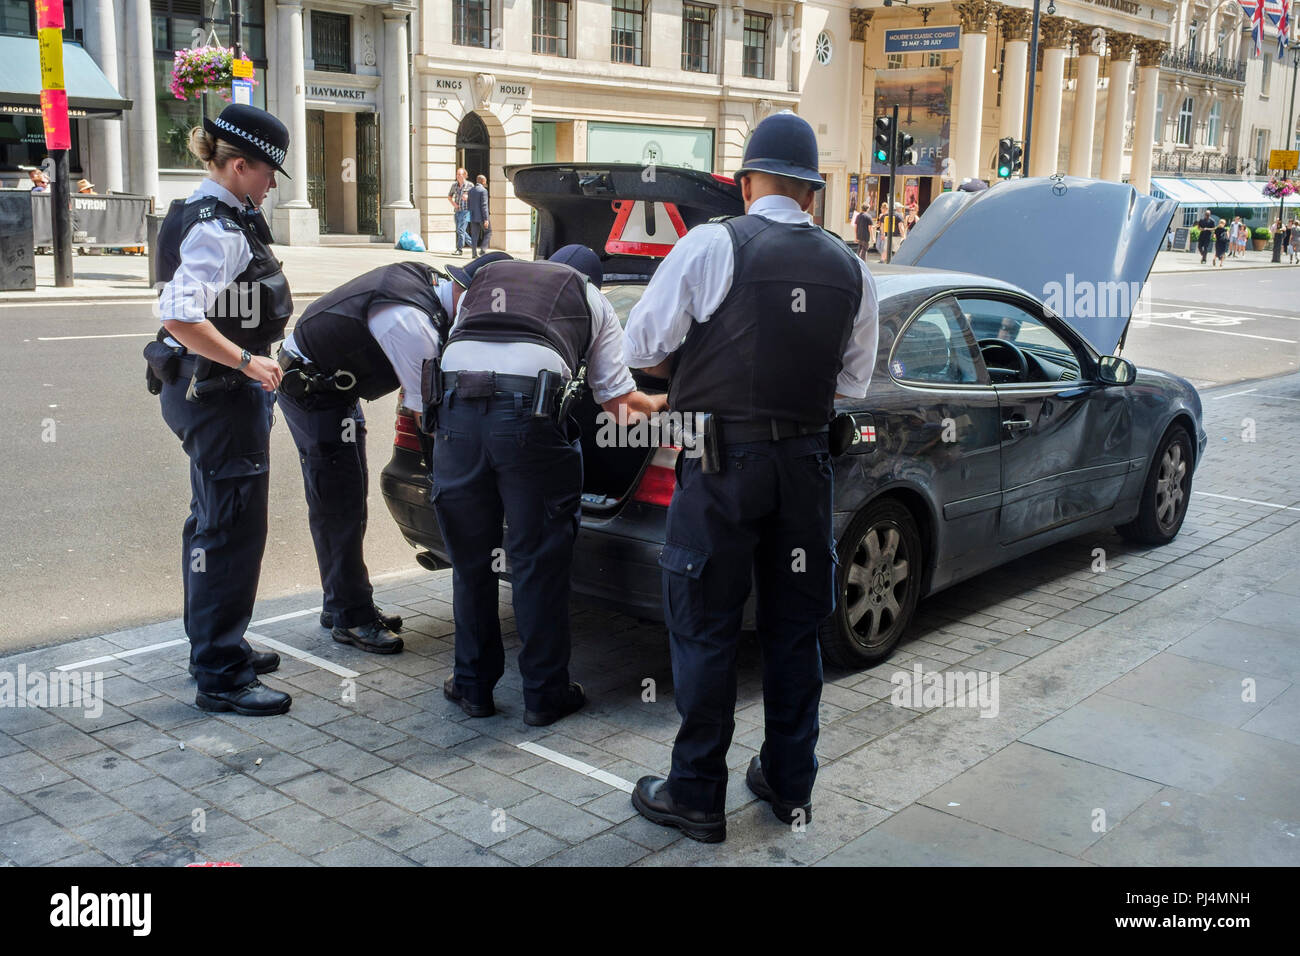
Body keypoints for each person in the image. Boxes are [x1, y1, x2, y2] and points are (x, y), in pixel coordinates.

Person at [622, 110, 880, 843]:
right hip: (805, 469)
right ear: (810, 191)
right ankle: (790, 784)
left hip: (723, 466)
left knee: (705, 627)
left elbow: (644, 342)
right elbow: (852, 385)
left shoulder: (711, 242)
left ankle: (698, 793)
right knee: (795, 630)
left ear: (744, 180)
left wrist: (695, 366)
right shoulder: (850, 266)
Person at [432, 246, 666, 726]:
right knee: (537, 562)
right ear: (592, 282)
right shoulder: (590, 299)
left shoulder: (489, 279)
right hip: (526, 423)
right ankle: (544, 695)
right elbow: (618, 409)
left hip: (454, 413)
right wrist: (664, 402)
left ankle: (473, 687)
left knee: (471, 561)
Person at [152, 104, 294, 717]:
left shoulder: (207, 210)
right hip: (219, 394)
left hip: (199, 390)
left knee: (210, 521)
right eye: (268, 173)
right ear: (239, 165)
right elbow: (178, 313)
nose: (270, 185)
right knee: (231, 529)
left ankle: (213, 643)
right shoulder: (219, 228)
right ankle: (222, 673)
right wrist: (246, 361)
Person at [275, 260, 457, 654]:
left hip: (330, 386)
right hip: (313, 392)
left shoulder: (428, 287)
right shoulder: (412, 325)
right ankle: (351, 618)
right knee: (340, 503)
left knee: (347, 501)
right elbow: (425, 415)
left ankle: (340, 602)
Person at [447, 168, 472, 255]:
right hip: (457, 211)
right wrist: (454, 204)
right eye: (457, 174)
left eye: (460, 174)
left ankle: (459, 249)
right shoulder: (454, 185)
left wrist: (468, 197)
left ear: (464, 175)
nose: (458, 176)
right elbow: (449, 197)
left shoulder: (470, 185)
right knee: (460, 230)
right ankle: (474, 246)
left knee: (460, 230)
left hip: (466, 211)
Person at [468, 173, 490, 257]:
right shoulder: (483, 191)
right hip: (481, 217)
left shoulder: (471, 190)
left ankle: (474, 254)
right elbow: (484, 205)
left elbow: (469, 204)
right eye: (485, 181)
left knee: (474, 235)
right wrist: (486, 219)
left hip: (473, 216)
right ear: (483, 181)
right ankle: (482, 250)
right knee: (488, 232)